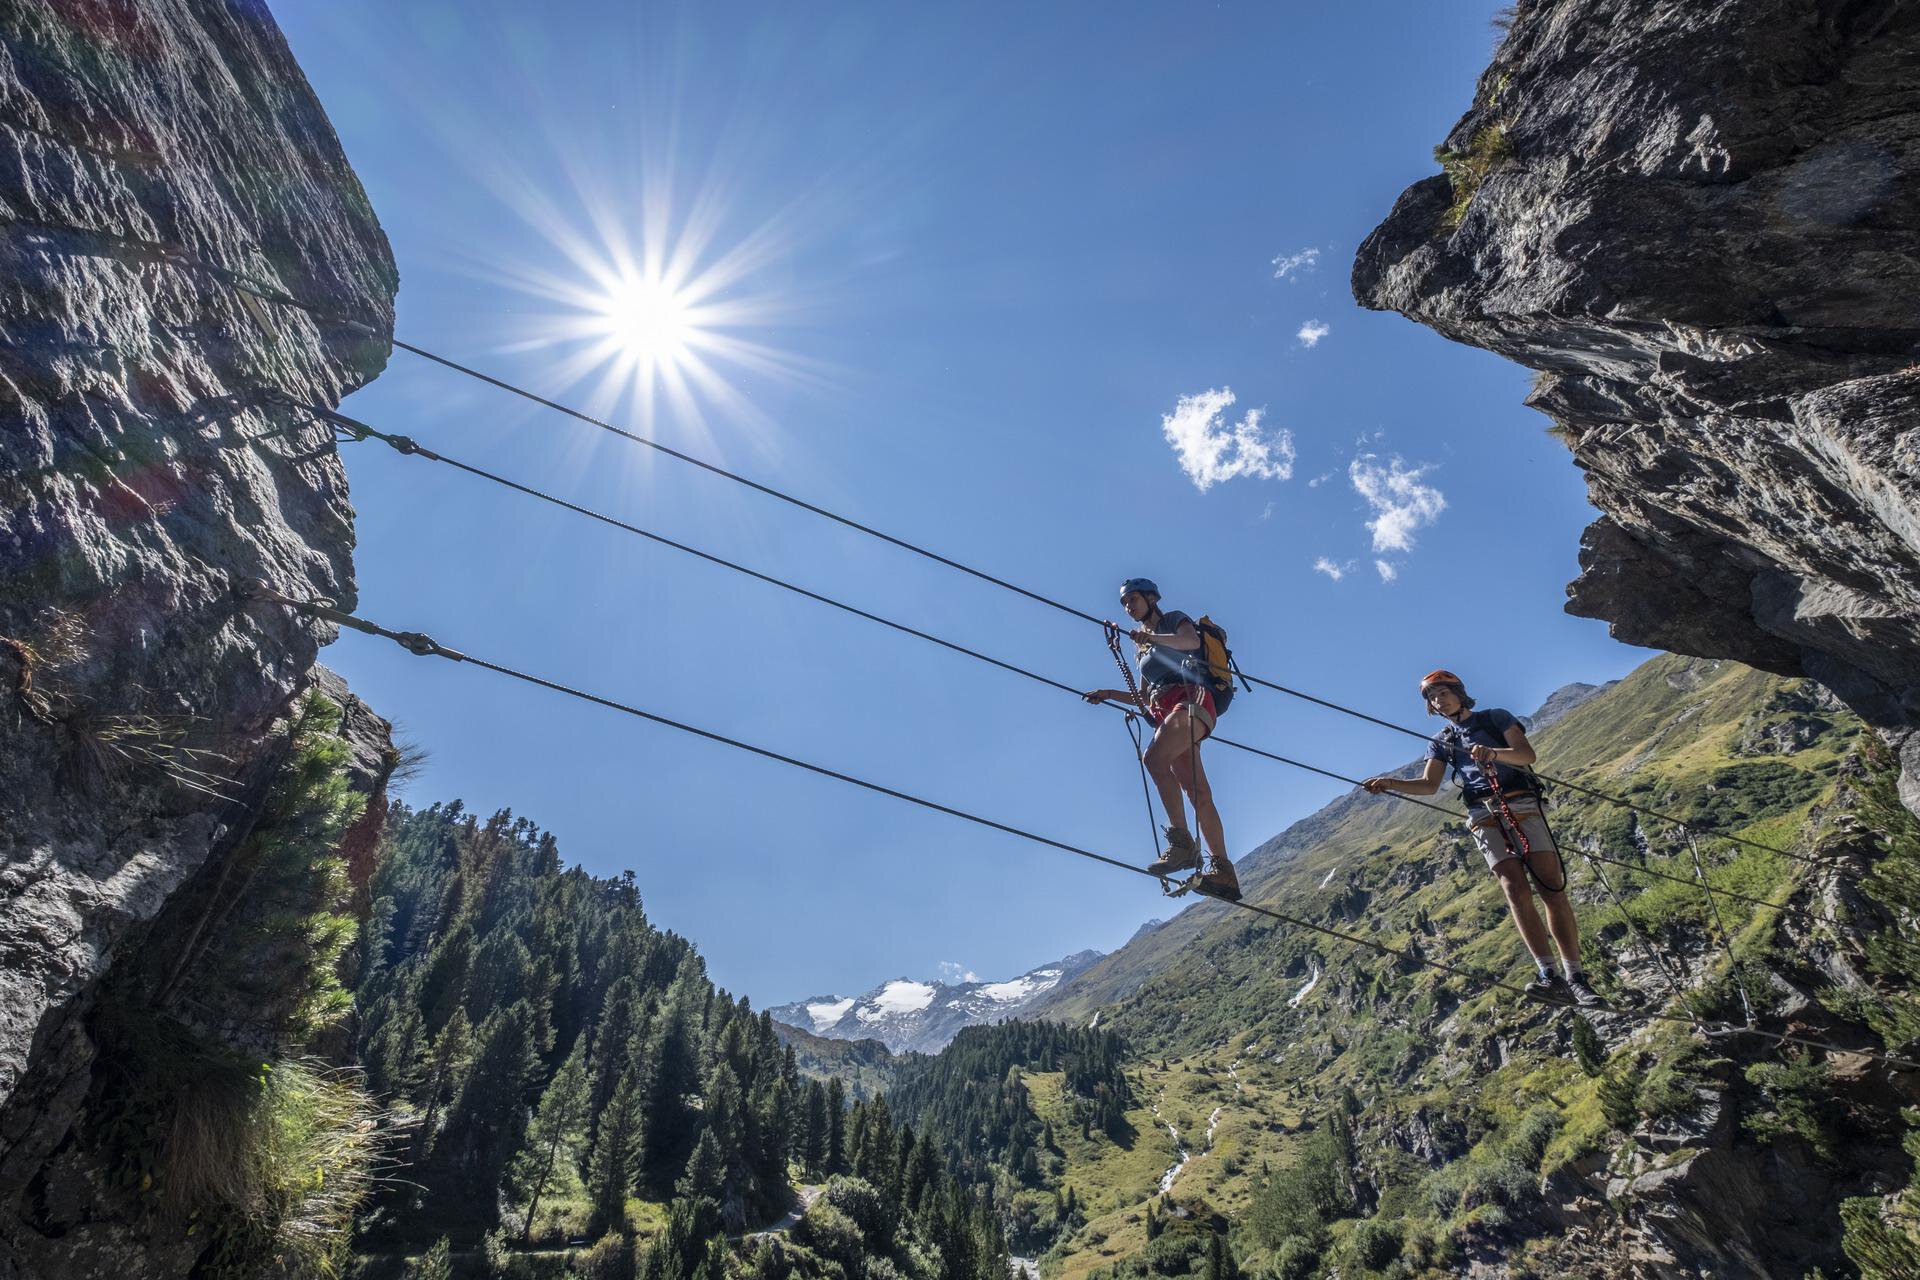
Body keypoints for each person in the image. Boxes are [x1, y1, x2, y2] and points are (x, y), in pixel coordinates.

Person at [1361, 670, 1596, 1005]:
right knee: (1513, 888)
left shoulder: (1494, 718)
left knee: (1551, 887)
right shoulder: (1441, 741)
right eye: (1432, 698)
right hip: (1482, 811)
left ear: (1459, 693)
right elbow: (1429, 785)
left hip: (1521, 802)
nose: (1438, 702)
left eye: (1443, 694)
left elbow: (1526, 755)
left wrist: (1494, 753)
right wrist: (1391, 783)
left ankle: (1576, 977)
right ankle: (1549, 974)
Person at [1083, 578, 1241, 902]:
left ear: (1151, 599)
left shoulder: (1172, 621)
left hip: (1192, 699)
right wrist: (1109, 694)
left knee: (1154, 758)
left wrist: (1151, 637)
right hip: (1169, 708)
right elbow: (1143, 696)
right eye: (1125, 603)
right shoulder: (1142, 647)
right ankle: (1225, 872)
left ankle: (1182, 844)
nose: (1129, 606)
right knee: (1197, 792)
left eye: (1134, 599)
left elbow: (1189, 641)